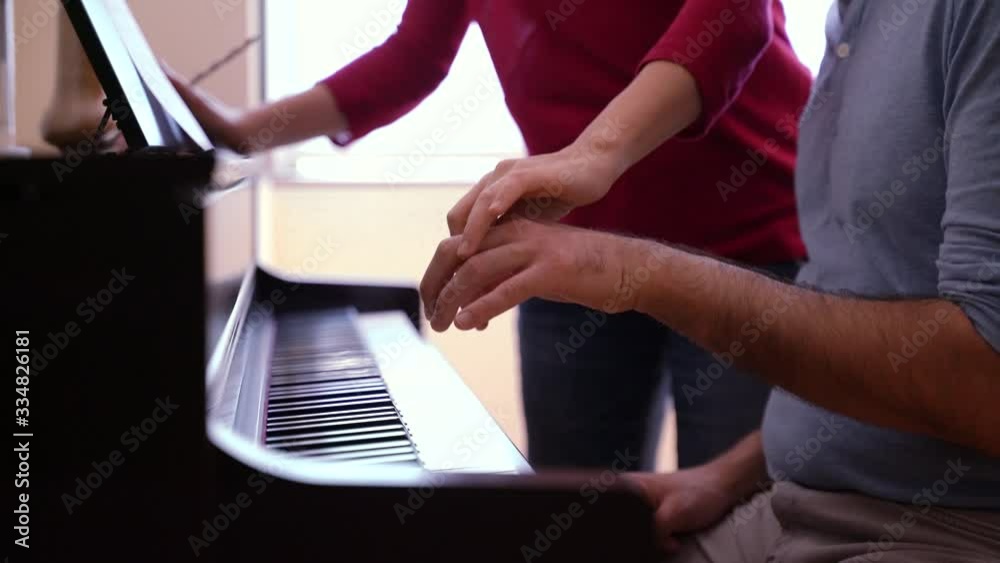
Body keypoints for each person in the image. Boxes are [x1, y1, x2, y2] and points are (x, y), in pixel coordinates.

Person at [421, 0, 1000, 559]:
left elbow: (983, 383)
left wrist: (633, 267)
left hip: (934, 528)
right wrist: (726, 478)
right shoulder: (859, 20)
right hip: (789, 505)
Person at [170, 0, 813, 471]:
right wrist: (241, 130)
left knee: (738, 518)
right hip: (572, 257)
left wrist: (594, 152)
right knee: (579, 517)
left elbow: (735, 15)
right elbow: (411, 59)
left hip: (749, 246)